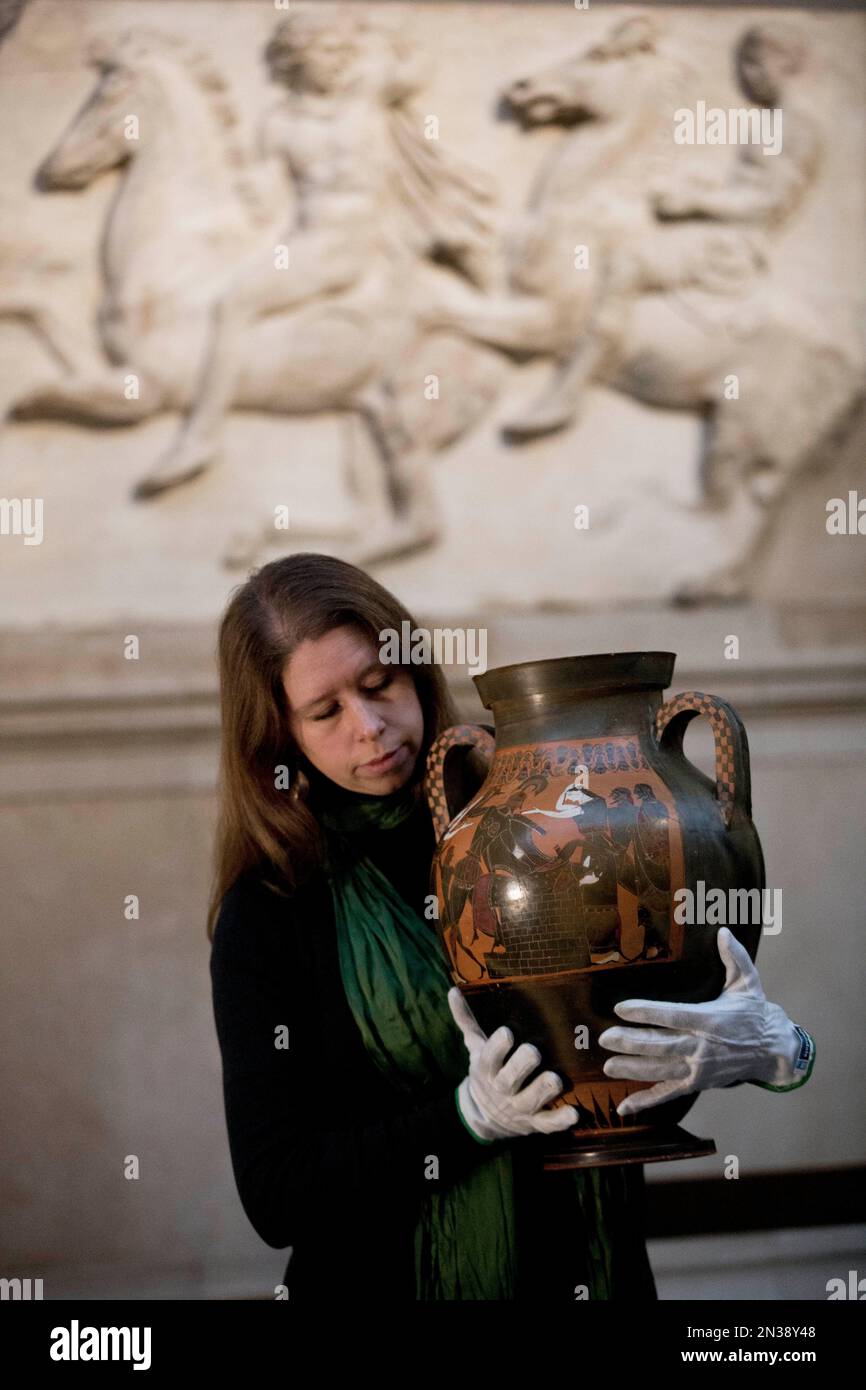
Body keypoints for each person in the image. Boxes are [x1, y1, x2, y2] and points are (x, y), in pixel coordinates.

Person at [207, 552, 816, 1301]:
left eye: (378, 685)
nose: (368, 727)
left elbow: (633, 1044)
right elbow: (277, 1196)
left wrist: (779, 1050)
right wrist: (466, 1118)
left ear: (415, 668)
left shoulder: (540, 825)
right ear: (278, 734)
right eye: (325, 712)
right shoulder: (271, 908)